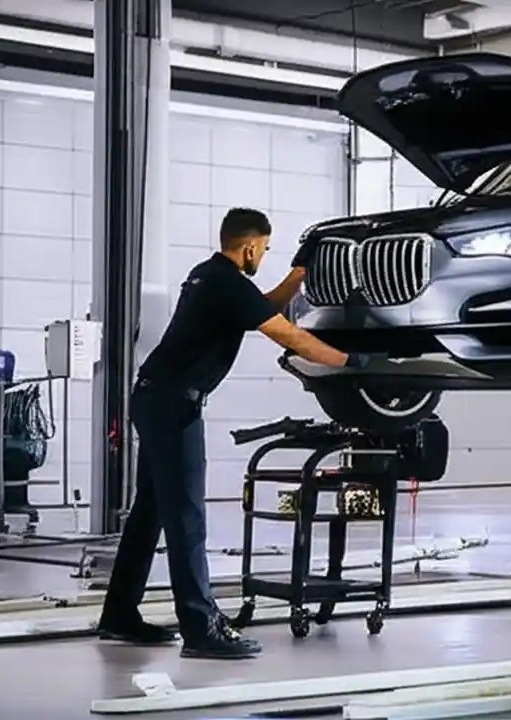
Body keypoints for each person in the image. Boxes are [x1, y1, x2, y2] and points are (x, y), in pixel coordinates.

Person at [97, 207, 369, 659]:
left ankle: (119, 615)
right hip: (173, 405)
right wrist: (353, 363)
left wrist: (299, 274)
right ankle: (201, 630)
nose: (262, 255)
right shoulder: (226, 284)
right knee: (186, 518)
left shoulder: (211, 276)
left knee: (150, 513)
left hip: (153, 397)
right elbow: (291, 336)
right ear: (249, 246)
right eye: (263, 249)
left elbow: (264, 305)